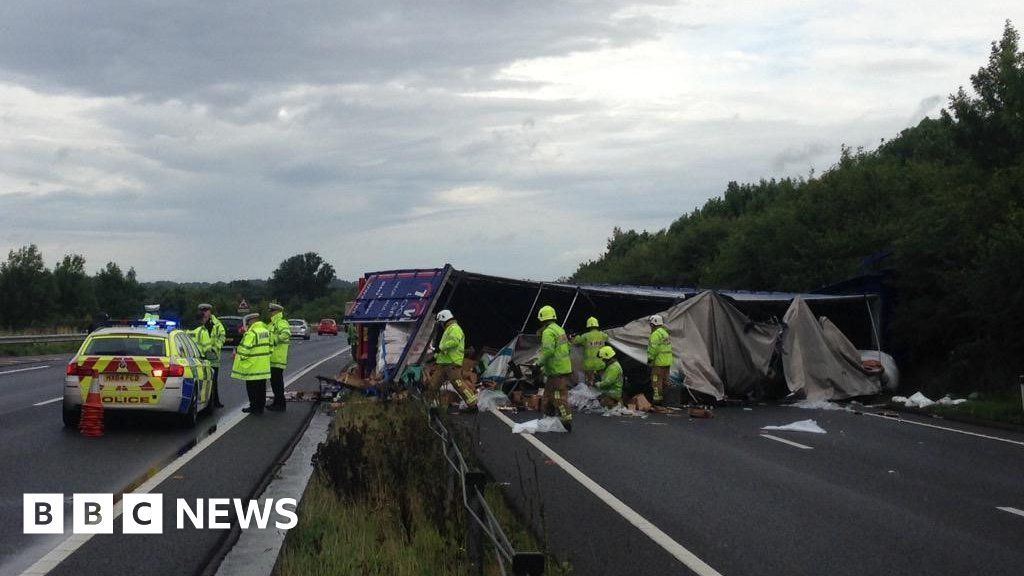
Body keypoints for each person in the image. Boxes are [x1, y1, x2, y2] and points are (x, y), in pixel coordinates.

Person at [427, 310, 478, 412]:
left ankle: (473, 406)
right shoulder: (449, 329)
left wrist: (440, 347)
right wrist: (436, 355)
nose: (441, 325)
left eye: (441, 322)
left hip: (452, 364)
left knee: (459, 384)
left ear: (444, 319)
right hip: (444, 364)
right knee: (434, 384)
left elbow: (454, 342)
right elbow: (446, 349)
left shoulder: (454, 328)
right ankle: (426, 405)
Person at [537, 305, 573, 431]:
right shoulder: (560, 329)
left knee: (558, 397)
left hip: (556, 371)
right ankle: (548, 418)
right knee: (548, 395)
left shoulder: (548, 332)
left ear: (542, 319)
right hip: (560, 369)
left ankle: (566, 420)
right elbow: (567, 348)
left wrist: (538, 364)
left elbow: (548, 351)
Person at [231, 313, 272, 414]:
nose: (248, 325)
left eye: (248, 323)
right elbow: (271, 347)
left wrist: (238, 355)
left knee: (252, 389)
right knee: (262, 388)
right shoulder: (266, 331)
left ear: (252, 321)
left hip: (252, 367)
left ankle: (254, 407)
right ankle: (260, 407)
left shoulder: (252, 333)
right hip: (263, 367)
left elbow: (245, 350)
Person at [192, 303, 226, 408]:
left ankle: (215, 401)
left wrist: (216, 348)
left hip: (213, 358)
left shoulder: (217, 324)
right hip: (201, 358)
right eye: (202, 311)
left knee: (213, 381)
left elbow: (222, 337)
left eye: (206, 311)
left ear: (210, 312)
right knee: (202, 381)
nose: (204, 313)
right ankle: (204, 402)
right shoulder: (198, 325)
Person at [266, 302, 290, 411]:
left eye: (271, 311)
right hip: (272, 358)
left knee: (278, 384)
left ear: (277, 312)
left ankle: (280, 405)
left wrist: (274, 340)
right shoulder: (271, 324)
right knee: (275, 383)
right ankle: (276, 403)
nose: (270, 313)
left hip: (278, 358)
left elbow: (286, 334)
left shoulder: (281, 322)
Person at [572, 316, 608, 385]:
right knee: (602, 380)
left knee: (589, 381)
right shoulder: (603, 335)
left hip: (589, 365)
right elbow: (607, 337)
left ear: (588, 326)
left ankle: (590, 387)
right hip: (601, 363)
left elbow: (576, 342)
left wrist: (576, 336)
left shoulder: (585, 336)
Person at [647, 314, 673, 406]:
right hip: (667, 362)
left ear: (653, 324)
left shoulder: (655, 334)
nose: (650, 326)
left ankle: (657, 400)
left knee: (656, 380)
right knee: (665, 381)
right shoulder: (665, 333)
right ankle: (667, 400)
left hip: (658, 362)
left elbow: (653, 349)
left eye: (651, 324)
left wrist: (650, 359)